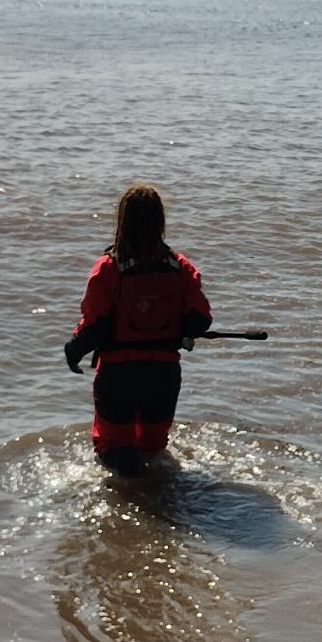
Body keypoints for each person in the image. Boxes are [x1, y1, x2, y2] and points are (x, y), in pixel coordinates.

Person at [64, 184, 212, 474]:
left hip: (119, 376)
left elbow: (95, 325)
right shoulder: (180, 267)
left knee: (113, 449)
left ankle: (131, 502)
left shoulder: (108, 269)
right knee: (153, 448)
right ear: (160, 221)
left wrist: (74, 350)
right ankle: (162, 497)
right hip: (163, 375)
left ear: (122, 220)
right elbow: (200, 320)